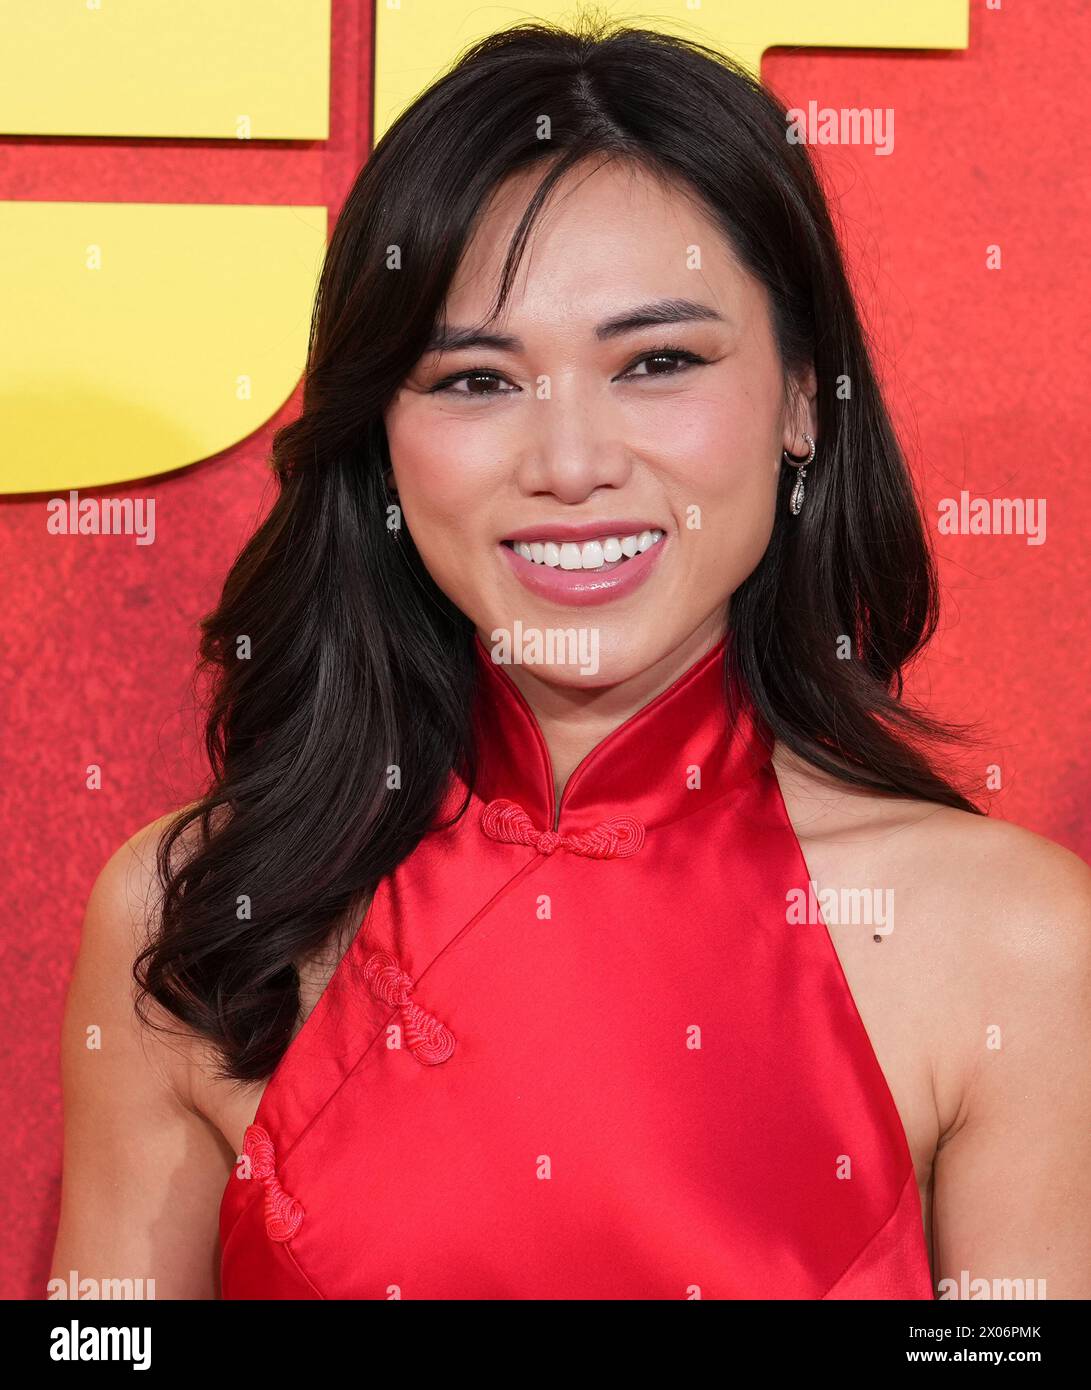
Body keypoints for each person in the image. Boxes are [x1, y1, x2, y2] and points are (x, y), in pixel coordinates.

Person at [50, 18, 1090, 1300]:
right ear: (379, 437)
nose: (568, 463)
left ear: (800, 397)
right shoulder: (198, 913)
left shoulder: (1010, 943)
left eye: (657, 362)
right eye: (476, 381)